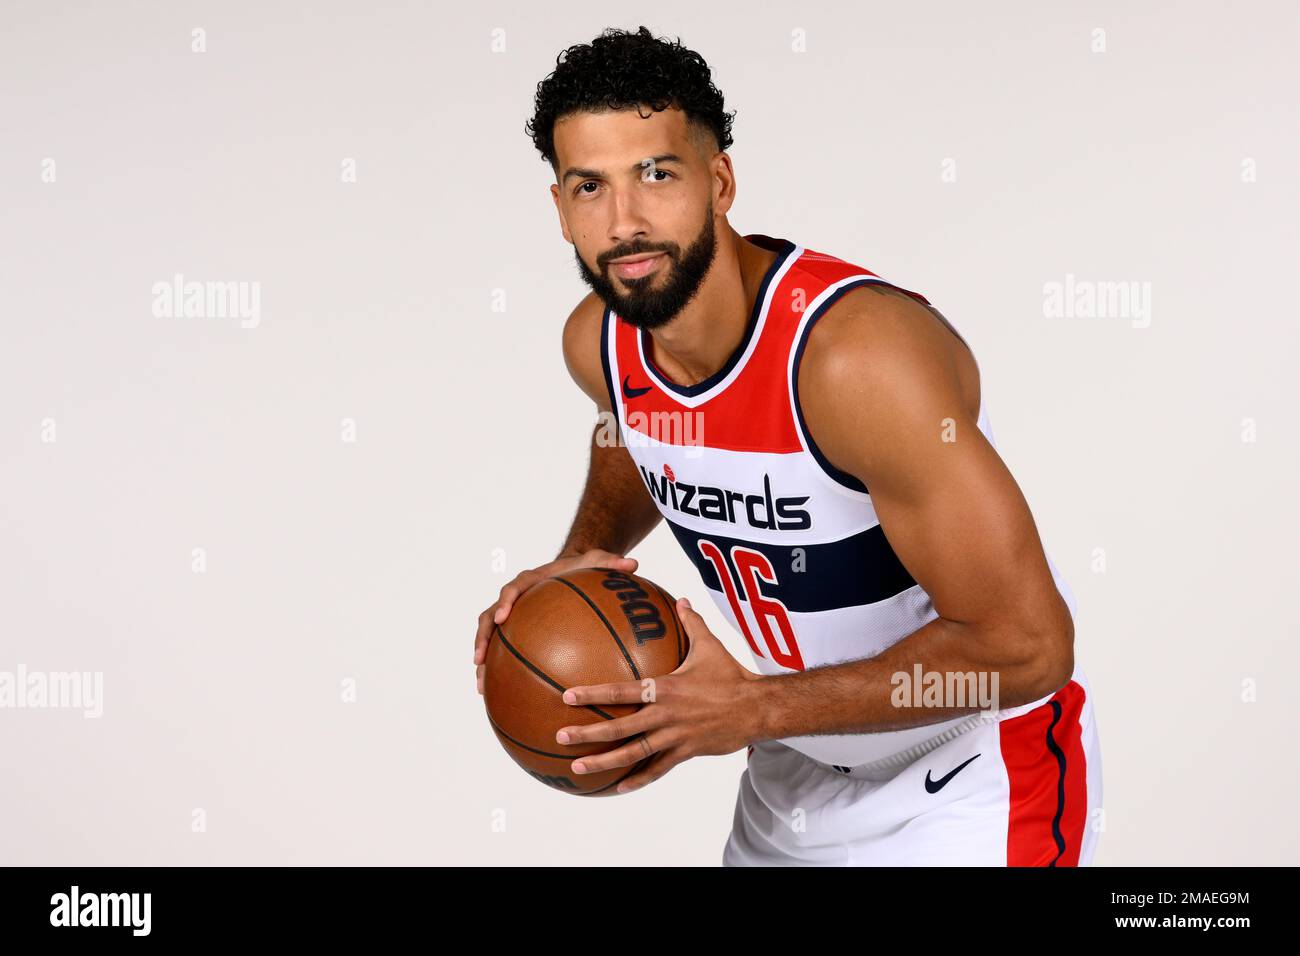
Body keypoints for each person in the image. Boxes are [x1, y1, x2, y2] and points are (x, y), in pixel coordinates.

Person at [474, 26, 1102, 866]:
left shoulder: (853, 362)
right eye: (591, 187)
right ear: (560, 208)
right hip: (798, 767)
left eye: (656, 174)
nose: (625, 222)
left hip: (971, 777)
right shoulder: (602, 342)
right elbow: (638, 426)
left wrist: (752, 709)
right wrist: (583, 555)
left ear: (720, 181)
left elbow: (1030, 647)